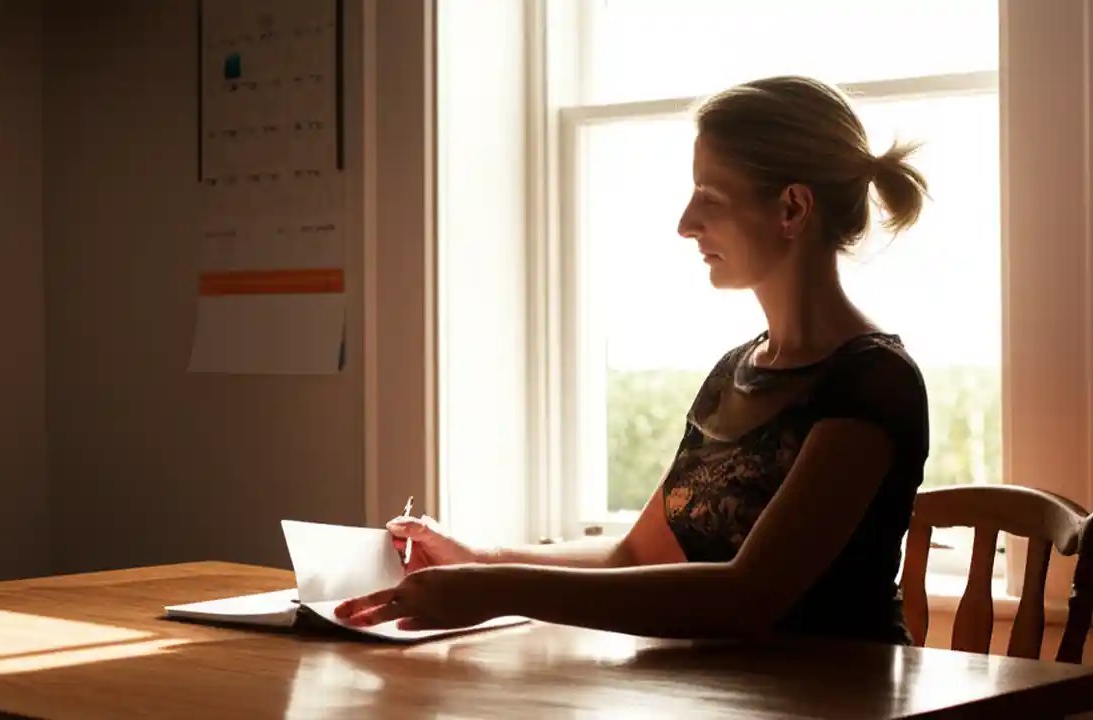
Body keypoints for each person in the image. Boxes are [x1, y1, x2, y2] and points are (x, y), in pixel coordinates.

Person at [335, 75, 930, 645]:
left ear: (793, 209)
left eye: (710, 195)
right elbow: (637, 556)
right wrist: (476, 558)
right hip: (727, 696)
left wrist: (497, 590)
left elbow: (747, 596)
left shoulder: (873, 383)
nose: (685, 223)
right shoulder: (735, 373)